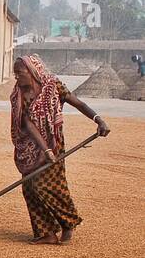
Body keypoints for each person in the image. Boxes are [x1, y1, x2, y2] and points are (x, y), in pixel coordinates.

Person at [11, 55, 110, 244]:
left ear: (32, 71)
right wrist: (44, 150)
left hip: (54, 143)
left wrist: (98, 120)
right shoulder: (19, 93)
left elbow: (79, 104)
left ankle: (67, 223)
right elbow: (27, 123)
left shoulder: (53, 86)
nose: (16, 77)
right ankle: (46, 233)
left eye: (20, 73)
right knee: (30, 189)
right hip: (32, 146)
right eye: (15, 73)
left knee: (48, 185)